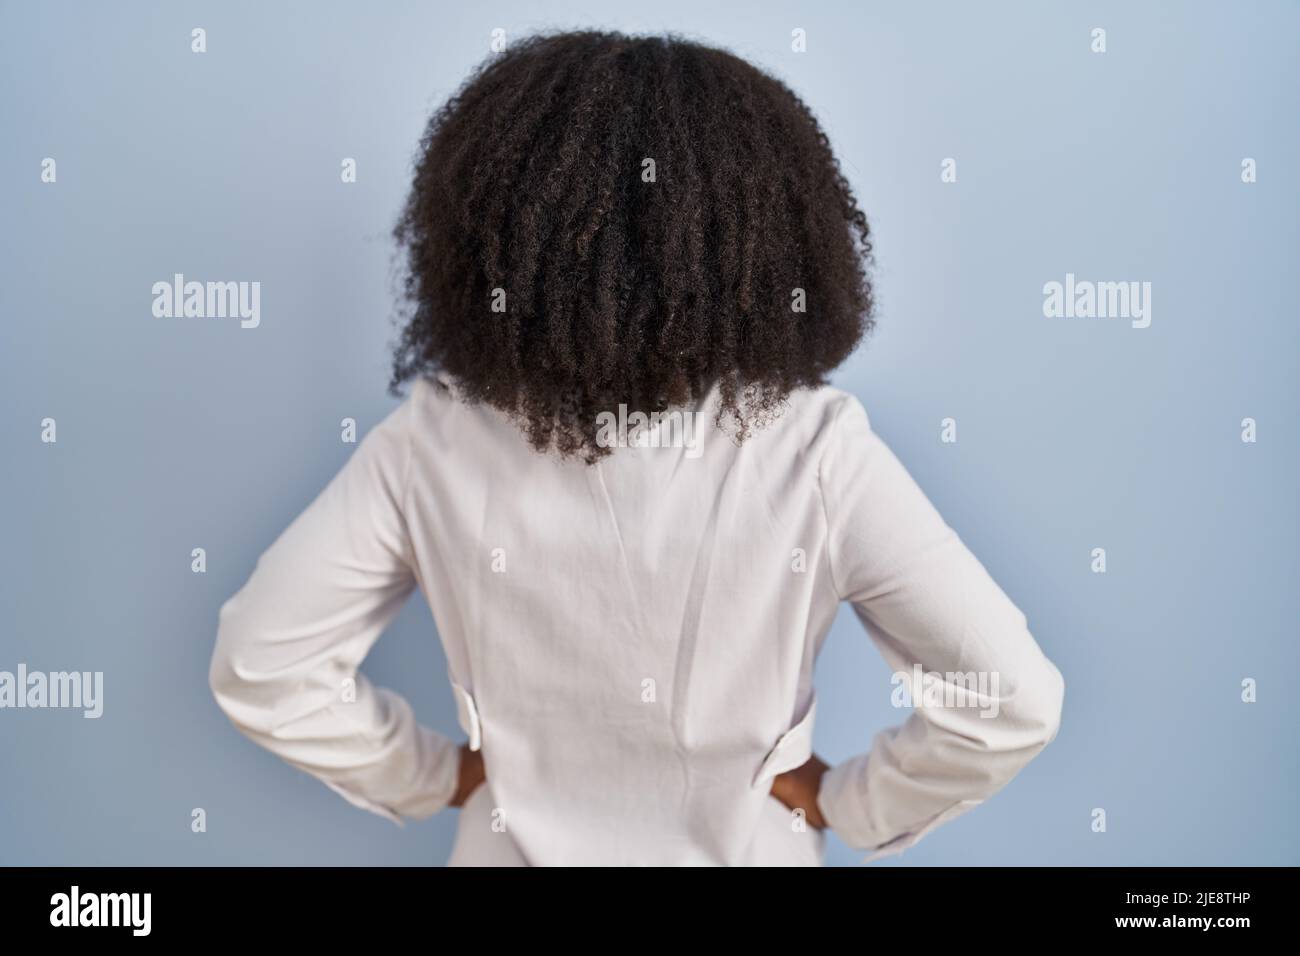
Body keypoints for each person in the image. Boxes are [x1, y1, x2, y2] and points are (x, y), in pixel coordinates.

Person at [208, 31, 1064, 866]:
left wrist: (432, 777)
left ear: (493, 233)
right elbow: (1010, 701)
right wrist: (852, 803)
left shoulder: (431, 442)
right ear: (770, 238)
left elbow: (261, 663)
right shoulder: (816, 449)